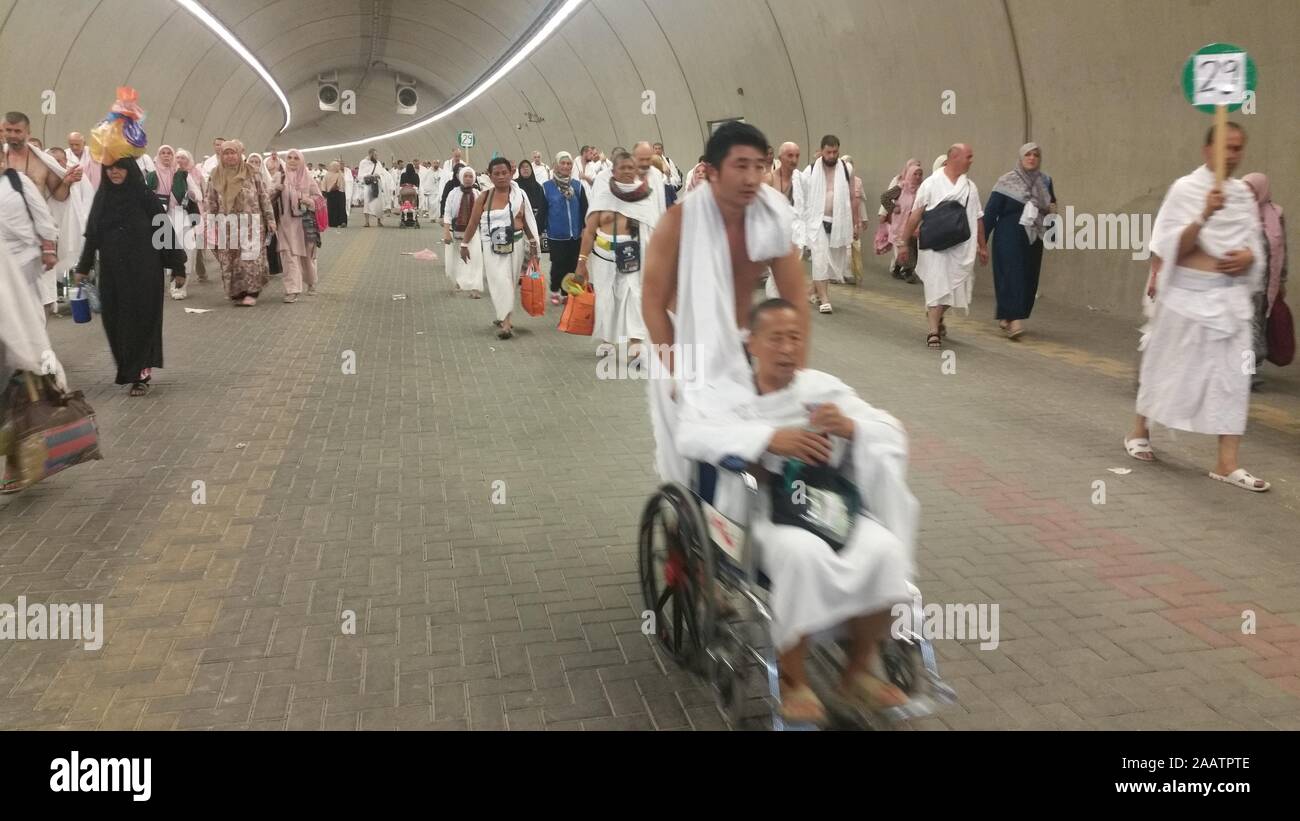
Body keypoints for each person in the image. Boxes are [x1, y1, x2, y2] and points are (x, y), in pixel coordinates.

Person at [675, 298, 916, 723]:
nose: (787, 349)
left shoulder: (820, 387)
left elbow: (888, 428)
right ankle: (793, 680)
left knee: (885, 549)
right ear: (752, 344)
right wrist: (767, 439)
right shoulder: (724, 394)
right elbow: (692, 436)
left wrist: (853, 428)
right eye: (777, 339)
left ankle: (857, 671)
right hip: (760, 509)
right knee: (803, 555)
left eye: (796, 338)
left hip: (826, 503)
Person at [642, 120, 811, 486]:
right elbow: (653, 303)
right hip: (684, 346)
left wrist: (794, 362)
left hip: (744, 348)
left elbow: (795, 298)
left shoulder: (770, 216)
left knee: (760, 446)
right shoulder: (678, 222)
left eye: (759, 166)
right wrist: (677, 368)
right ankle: (683, 529)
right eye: (740, 166)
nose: (752, 178)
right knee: (689, 463)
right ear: (712, 172)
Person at [1126, 122, 1267, 492]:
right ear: (1207, 150)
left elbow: (1256, 246)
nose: (1232, 155)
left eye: (1238, 148)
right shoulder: (1185, 189)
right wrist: (1203, 215)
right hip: (1186, 299)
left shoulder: (1243, 197)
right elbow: (1170, 247)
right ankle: (1140, 430)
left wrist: (1248, 257)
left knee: (1232, 380)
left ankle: (1227, 462)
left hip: (1230, 302)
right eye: (1225, 147)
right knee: (1166, 367)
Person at [73, 157, 186, 396]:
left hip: (145, 271)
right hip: (113, 273)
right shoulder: (102, 198)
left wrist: (178, 267)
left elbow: (163, 229)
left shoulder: (145, 197)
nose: (114, 172)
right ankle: (128, 367)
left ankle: (140, 374)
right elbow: (92, 235)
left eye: (120, 167)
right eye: (110, 168)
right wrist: (82, 267)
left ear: (130, 169)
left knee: (143, 320)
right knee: (116, 321)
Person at [898, 144, 988, 347]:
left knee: (954, 289)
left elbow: (978, 218)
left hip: (960, 246)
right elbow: (915, 216)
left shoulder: (970, 188)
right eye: (968, 156)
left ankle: (936, 314)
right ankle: (933, 331)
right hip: (934, 245)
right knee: (936, 284)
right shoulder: (930, 184)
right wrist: (903, 243)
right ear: (954, 157)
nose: (971, 160)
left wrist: (982, 246)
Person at [575, 150, 659, 360]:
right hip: (603, 255)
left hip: (632, 256)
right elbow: (589, 231)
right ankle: (608, 341)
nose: (628, 172)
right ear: (613, 171)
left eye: (632, 168)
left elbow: (652, 231)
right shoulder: (602, 195)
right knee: (605, 297)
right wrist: (581, 262)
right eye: (623, 168)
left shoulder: (645, 196)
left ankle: (636, 343)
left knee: (633, 296)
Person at [459, 157, 541, 339]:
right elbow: (473, 223)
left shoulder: (519, 195)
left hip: (516, 243)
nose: (501, 177)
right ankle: (503, 314)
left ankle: (506, 322)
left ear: (511, 173)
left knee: (509, 281)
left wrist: (533, 243)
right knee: (497, 281)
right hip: (491, 246)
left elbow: (526, 220)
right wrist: (464, 244)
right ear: (490, 176)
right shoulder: (484, 197)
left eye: (505, 173)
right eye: (496, 174)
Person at [984, 143, 1056, 339]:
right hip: (1008, 235)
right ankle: (1015, 320)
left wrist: (1052, 233)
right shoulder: (1006, 181)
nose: (1032, 158)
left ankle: (1007, 316)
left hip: (1033, 237)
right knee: (1012, 274)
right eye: (1028, 154)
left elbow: (1051, 207)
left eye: (1036, 155)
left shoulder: (1045, 181)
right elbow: (991, 211)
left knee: (1028, 277)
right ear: (1021, 157)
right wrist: (981, 241)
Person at [204, 139, 275, 307]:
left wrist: (270, 219)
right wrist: (210, 221)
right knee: (230, 259)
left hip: (251, 224)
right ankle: (236, 291)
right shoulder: (215, 175)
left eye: (232, 152)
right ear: (221, 155)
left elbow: (264, 197)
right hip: (226, 225)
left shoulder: (252, 172)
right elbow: (211, 200)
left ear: (239, 154)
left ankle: (252, 292)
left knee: (250, 259)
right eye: (226, 153)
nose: (229, 156)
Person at [0, 147, 59, 318]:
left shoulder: (18, 181)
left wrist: (49, 249)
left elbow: (42, 215)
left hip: (24, 259)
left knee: (30, 313)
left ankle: (36, 344)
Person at [1242, 172, 1287, 387]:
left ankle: (1251, 369)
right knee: (1247, 329)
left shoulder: (1276, 214)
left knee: (1258, 328)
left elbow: (1282, 250)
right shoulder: (1238, 212)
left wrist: (1282, 281)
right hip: (1241, 281)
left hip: (1266, 283)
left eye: (1252, 189)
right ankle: (1247, 372)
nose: (1248, 194)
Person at [801, 135, 855, 314]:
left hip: (839, 222)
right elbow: (802, 198)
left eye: (835, 152)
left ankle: (811, 291)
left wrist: (856, 221)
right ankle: (825, 299)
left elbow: (852, 195)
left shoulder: (847, 169)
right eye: (828, 152)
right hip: (816, 223)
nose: (832, 155)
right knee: (820, 260)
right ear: (821, 151)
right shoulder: (810, 170)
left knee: (835, 262)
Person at [145, 145, 201, 299]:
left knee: (186, 249)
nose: (166, 156)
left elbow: (197, 193)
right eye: (162, 153)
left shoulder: (182, 175)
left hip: (181, 216)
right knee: (164, 250)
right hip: (160, 217)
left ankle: (180, 286)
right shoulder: (151, 176)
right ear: (158, 156)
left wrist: (191, 194)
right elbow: (144, 197)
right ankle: (164, 284)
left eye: (169, 153)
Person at [273, 149, 323, 303]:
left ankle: (311, 282)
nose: (292, 160)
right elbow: (266, 197)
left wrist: (308, 200)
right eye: (289, 157)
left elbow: (319, 198)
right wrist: (275, 189)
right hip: (286, 224)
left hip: (304, 224)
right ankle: (292, 290)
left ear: (301, 160)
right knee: (289, 255)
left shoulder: (308, 178)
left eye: (296, 158)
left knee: (307, 257)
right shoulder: (279, 176)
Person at [541, 151, 588, 306]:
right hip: (556, 234)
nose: (566, 166)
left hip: (575, 234)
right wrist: (537, 233)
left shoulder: (577, 186)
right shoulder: (547, 187)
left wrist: (586, 229)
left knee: (572, 265)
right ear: (556, 165)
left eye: (568, 164)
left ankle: (566, 292)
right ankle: (554, 290)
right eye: (563, 163)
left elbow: (585, 209)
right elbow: (543, 211)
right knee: (558, 265)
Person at [443, 165, 484, 298]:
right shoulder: (453, 193)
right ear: (461, 177)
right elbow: (447, 212)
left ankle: (475, 287)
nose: (468, 178)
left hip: (474, 231)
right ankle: (459, 282)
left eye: (470, 176)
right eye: (465, 176)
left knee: (476, 258)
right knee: (457, 258)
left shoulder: (478, 194)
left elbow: (482, 214)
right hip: (456, 231)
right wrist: (446, 231)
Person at [881, 159, 923, 284]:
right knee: (904, 247)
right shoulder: (901, 187)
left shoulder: (922, 190)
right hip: (900, 224)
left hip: (913, 225)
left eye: (920, 174)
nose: (917, 177)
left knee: (912, 248)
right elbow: (884, 197)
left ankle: (899, 269)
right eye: (915, 174)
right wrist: (894, 208)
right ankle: (907, 271)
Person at [515, 159, 548, 251]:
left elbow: (543, 208)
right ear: (519, 170)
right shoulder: (515, 186)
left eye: (527, 167)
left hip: (535, 223)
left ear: (531, 169)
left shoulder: (539, 187)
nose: (525, 169)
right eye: (522, 167)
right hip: (519, 225)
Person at [357, 148, 385, 227]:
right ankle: (367, 222)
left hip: (376, 185)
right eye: (375, 155)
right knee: (367, 203)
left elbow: (382, 173)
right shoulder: (363, 162)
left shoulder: (378, 163)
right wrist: (368, 176)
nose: (377, 157)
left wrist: (378, 176)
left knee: (378, 204)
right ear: (370, 154)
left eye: (377, 155)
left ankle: (379, 221)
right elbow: (360, 175)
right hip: (368, 186)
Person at [321, 161, 348, 228]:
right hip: (334, 193)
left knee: (339, 208)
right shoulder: (330, 174)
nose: (338, 167)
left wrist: (326, 191)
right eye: (337, 166)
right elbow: (324, 183)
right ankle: (336, 222)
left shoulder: (339, 174)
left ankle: (340, 222)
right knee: (334, 208)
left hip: (336, 193)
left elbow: (342, 184)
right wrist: (324, 191)